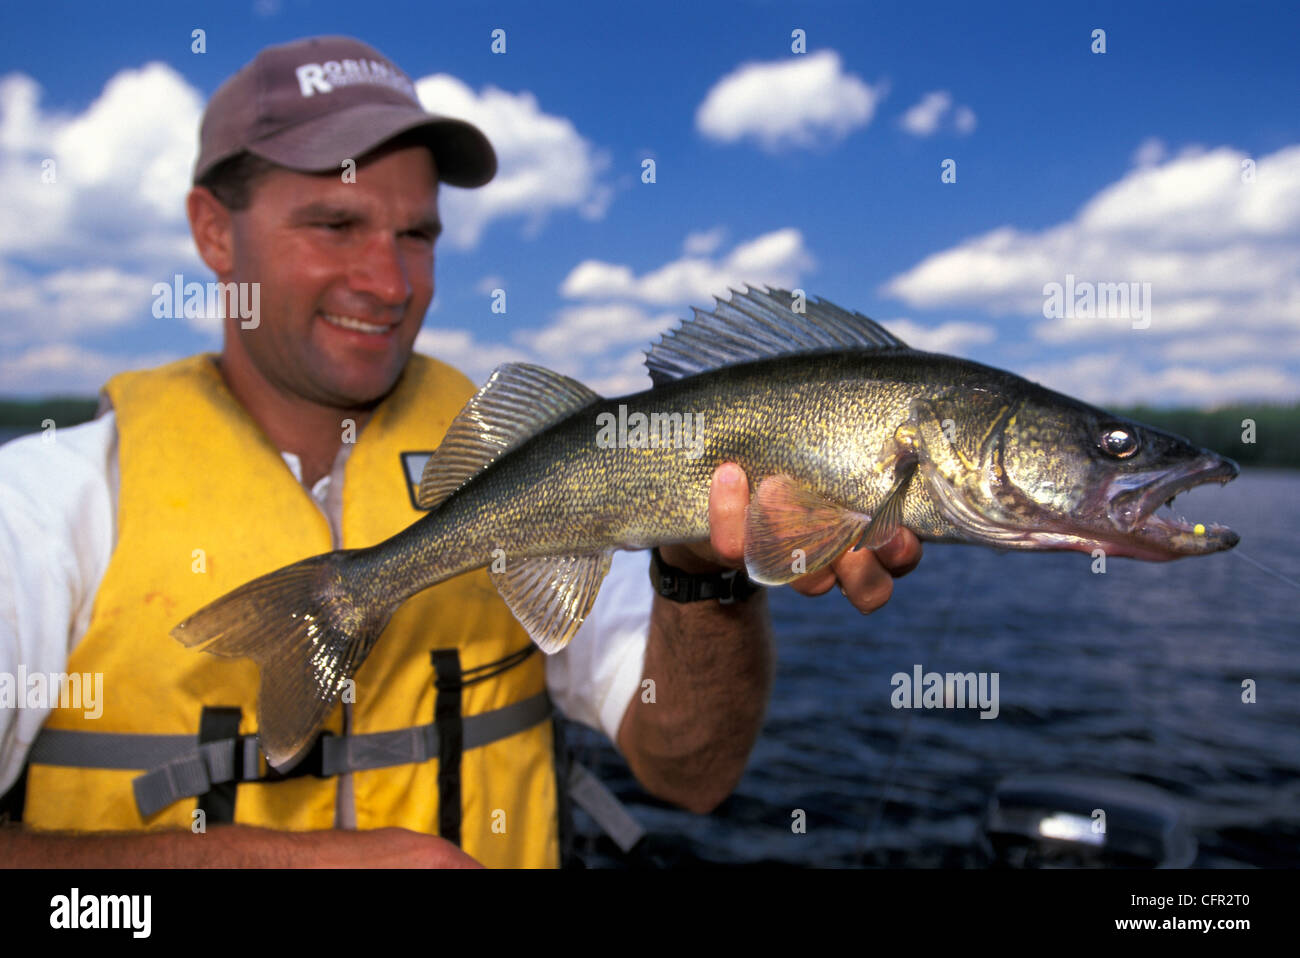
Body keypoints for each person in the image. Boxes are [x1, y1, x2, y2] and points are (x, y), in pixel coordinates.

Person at [0, 36, 921, 867]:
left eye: (418, 235)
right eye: (335, 225)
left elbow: (689, 774)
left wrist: (698, 575)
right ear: (212, 231)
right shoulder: (37, 507)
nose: (389, 281)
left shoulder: (548, 473)